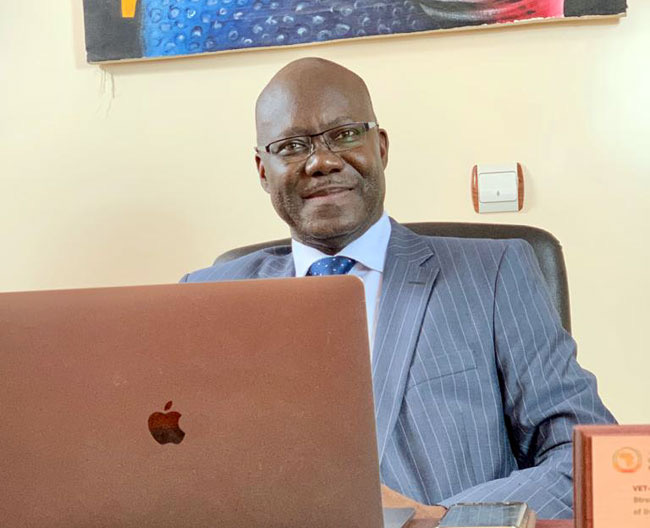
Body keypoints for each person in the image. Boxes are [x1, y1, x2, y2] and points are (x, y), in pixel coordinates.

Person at [181, 57, 615, 519]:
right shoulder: (207, 297)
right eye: (291, 146)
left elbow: (586, 458)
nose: (322, 161)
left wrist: (437, 520)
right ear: (262, 171)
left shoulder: (493, 274)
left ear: (381, 148)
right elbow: (180, 467)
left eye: (345, 134)